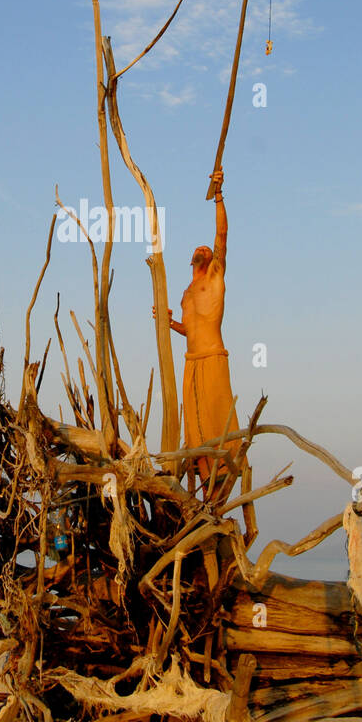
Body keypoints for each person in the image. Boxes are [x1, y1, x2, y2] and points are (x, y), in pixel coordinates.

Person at [154, 167, 240, 499]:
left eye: (206, 249)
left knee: (219, 429)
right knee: (197, 434)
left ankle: (220, 493)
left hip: (214, 357)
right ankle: (207, 498)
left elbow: (222, 234)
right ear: (191, 260)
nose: (203, 249)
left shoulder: (214, 278)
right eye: (199, 249)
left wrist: (218, 194)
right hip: (192, 362)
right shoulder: (187, 293)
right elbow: (187, 329)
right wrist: (167, 323)